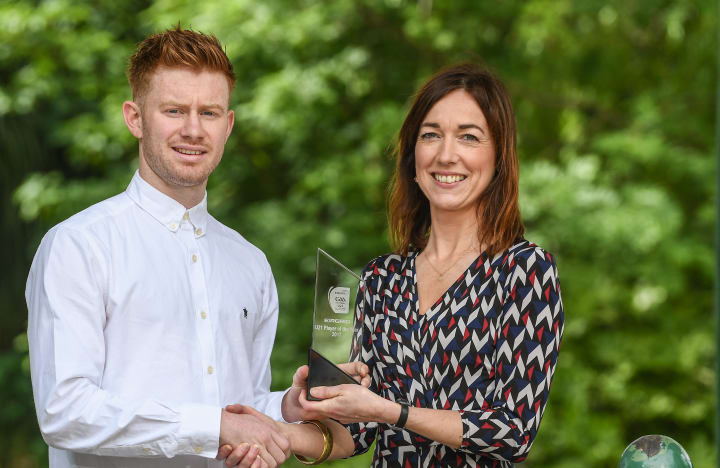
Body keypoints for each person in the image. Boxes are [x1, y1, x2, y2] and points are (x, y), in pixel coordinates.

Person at [221, 63, 565, 467]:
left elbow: (513, 431)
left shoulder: (525, 271)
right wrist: (280, 426)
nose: (446, 154)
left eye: (469, 137)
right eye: (430, 135)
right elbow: (354, 435)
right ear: (412, 155)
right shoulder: (382, 279)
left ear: (498, 156)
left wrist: (387, 410)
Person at [26, 25, 292, 468]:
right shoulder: (79, 246)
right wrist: (215, 428)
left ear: (227, 126)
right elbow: (64, 410)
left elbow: (241, 410)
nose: (193, 129)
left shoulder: (251, 263)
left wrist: (283, 410)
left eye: (209, 113)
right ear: (135, 118)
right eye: (174, 110)